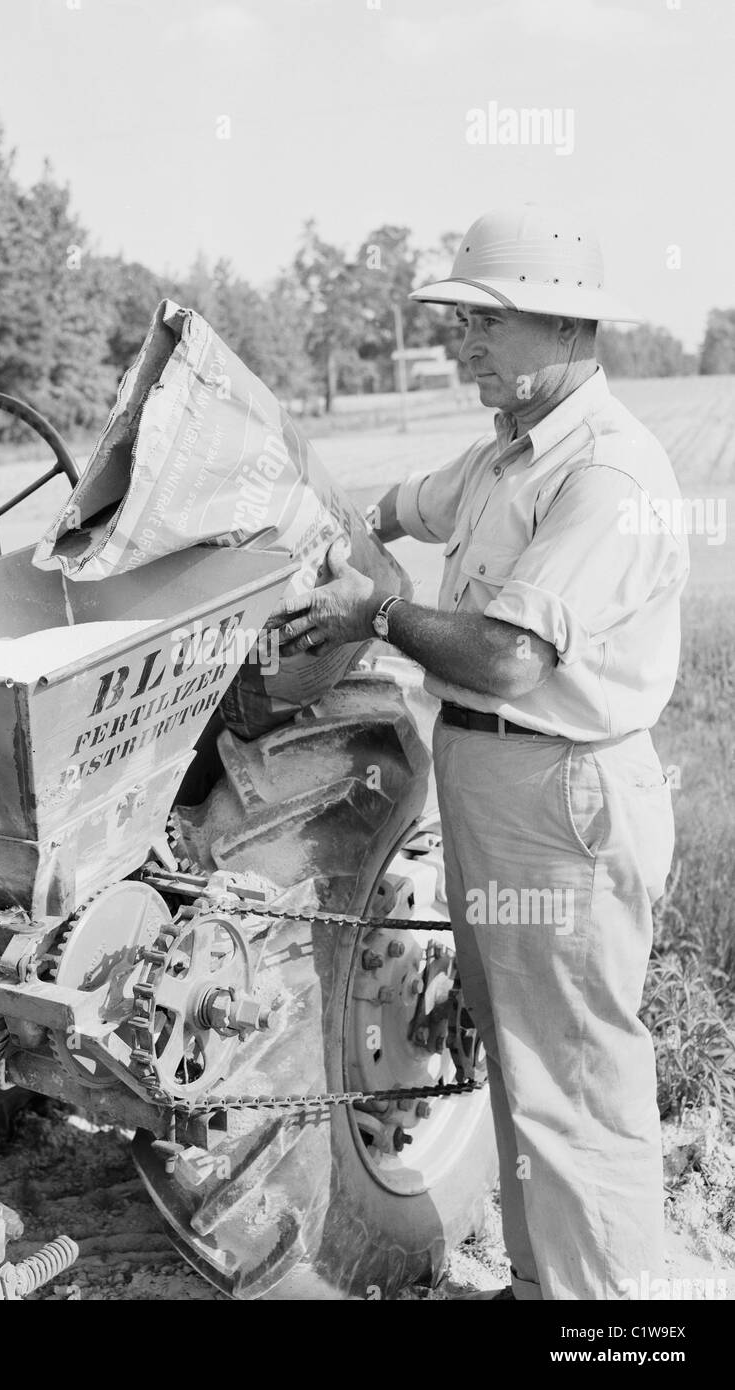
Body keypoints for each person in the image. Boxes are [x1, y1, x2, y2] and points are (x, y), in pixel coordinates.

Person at [268, 204, 690, 1301]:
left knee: (574, 1078)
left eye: (485, 324)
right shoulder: (507, 452)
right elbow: (396, 508)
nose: (462, 345)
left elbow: (506, 657)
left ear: (566, 328)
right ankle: (547, 1288)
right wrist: (314, 533)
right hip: (494, 782)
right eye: (460, 323)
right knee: (514, 1047)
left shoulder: (605, 475)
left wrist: (373, 613)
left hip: (559, 797)